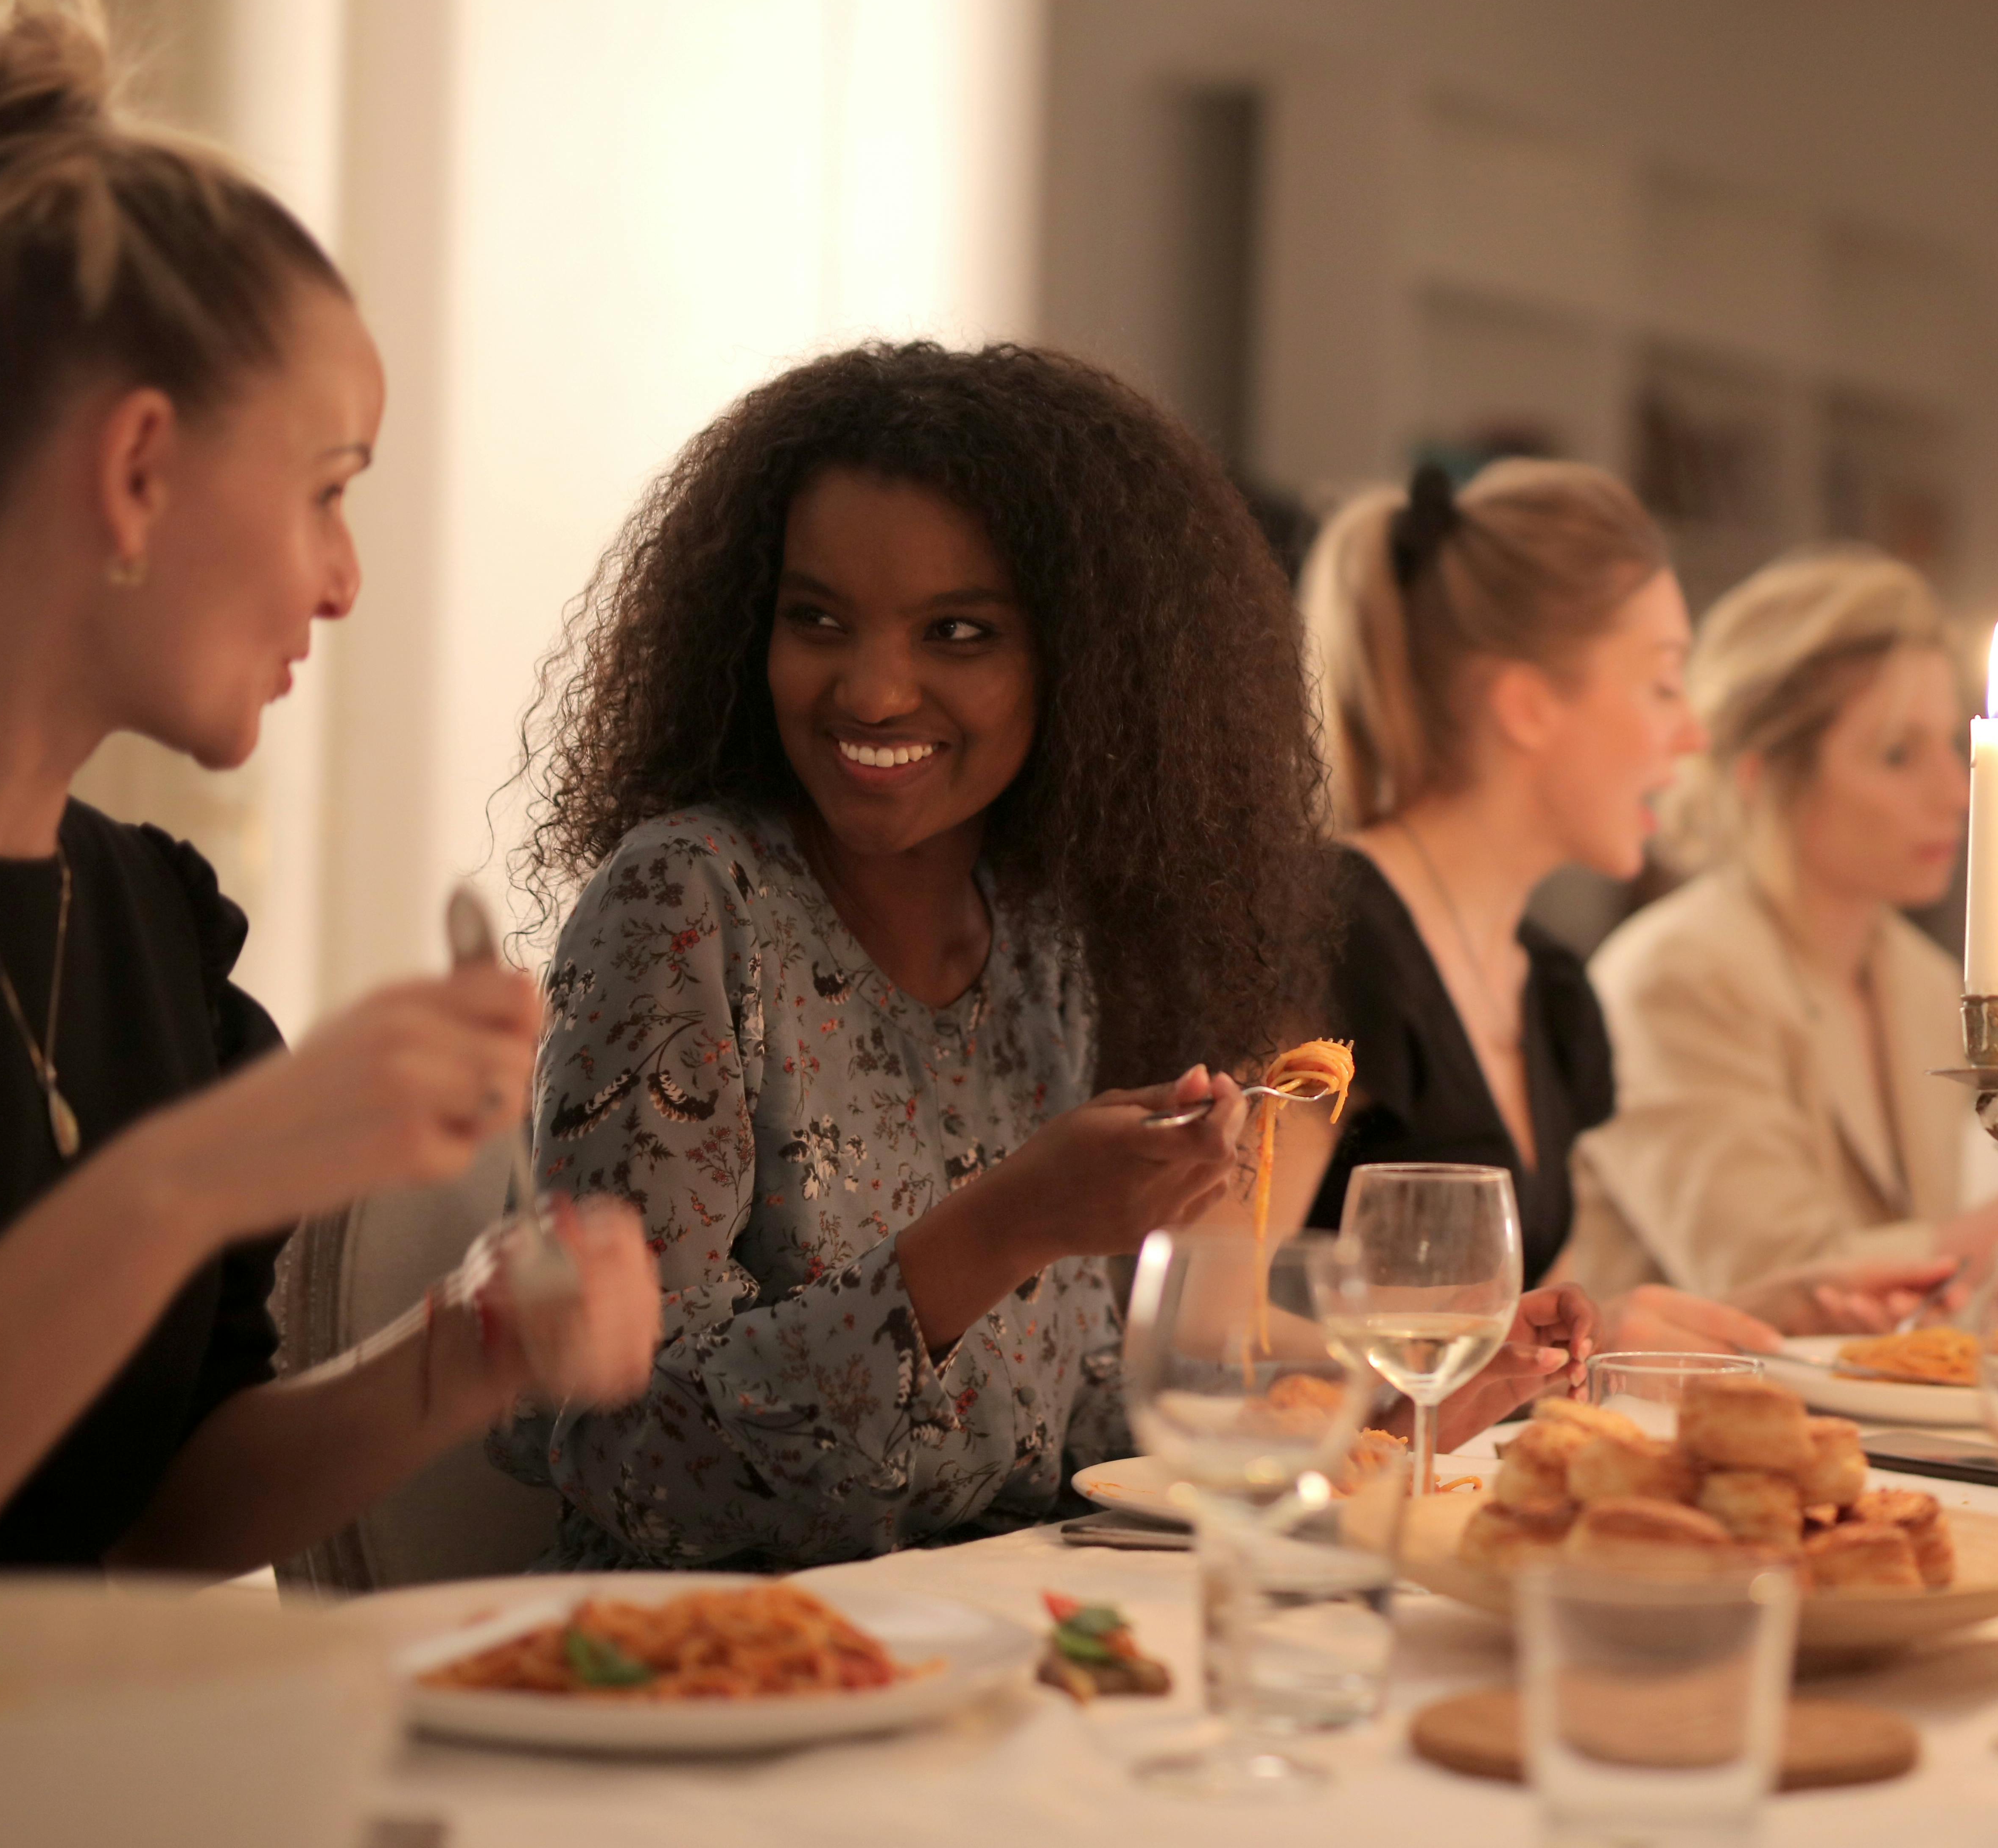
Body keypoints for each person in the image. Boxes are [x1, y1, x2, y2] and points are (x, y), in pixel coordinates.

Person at [495, 350, 1578, 1570]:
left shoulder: (1036, 934)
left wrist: (1400, 1413)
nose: (873, 685)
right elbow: (628, 1449)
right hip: (715, 1674)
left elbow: (1081, 1434)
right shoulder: (686, 904)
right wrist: (1008, 1224)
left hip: (995, 1648)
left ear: (1088, 663)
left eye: (956, 631)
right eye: (818, 619)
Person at [0, 0, 657, 1576]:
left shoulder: (149, 926)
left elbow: (157, 1521)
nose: (343, 581)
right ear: (138, 470)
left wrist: (468, 1350)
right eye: (327, 491)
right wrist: (200, 1175)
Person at [1283, 463, 1950, 1350]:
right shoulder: (1331, 938)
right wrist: (1497, 1351)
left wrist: (1769, 1300)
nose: (1695, 734)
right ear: (1527, 706)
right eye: (1664, 684)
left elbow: (1521, 1325)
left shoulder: (1544, 988)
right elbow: (1212, 1325)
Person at [1567, 549, 1998, 1302]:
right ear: (1763, 775)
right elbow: (1785, 1288)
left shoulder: (1922, 977)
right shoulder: (1673, 977)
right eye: (1897, 753)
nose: (1955, 792)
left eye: (1949, 744)